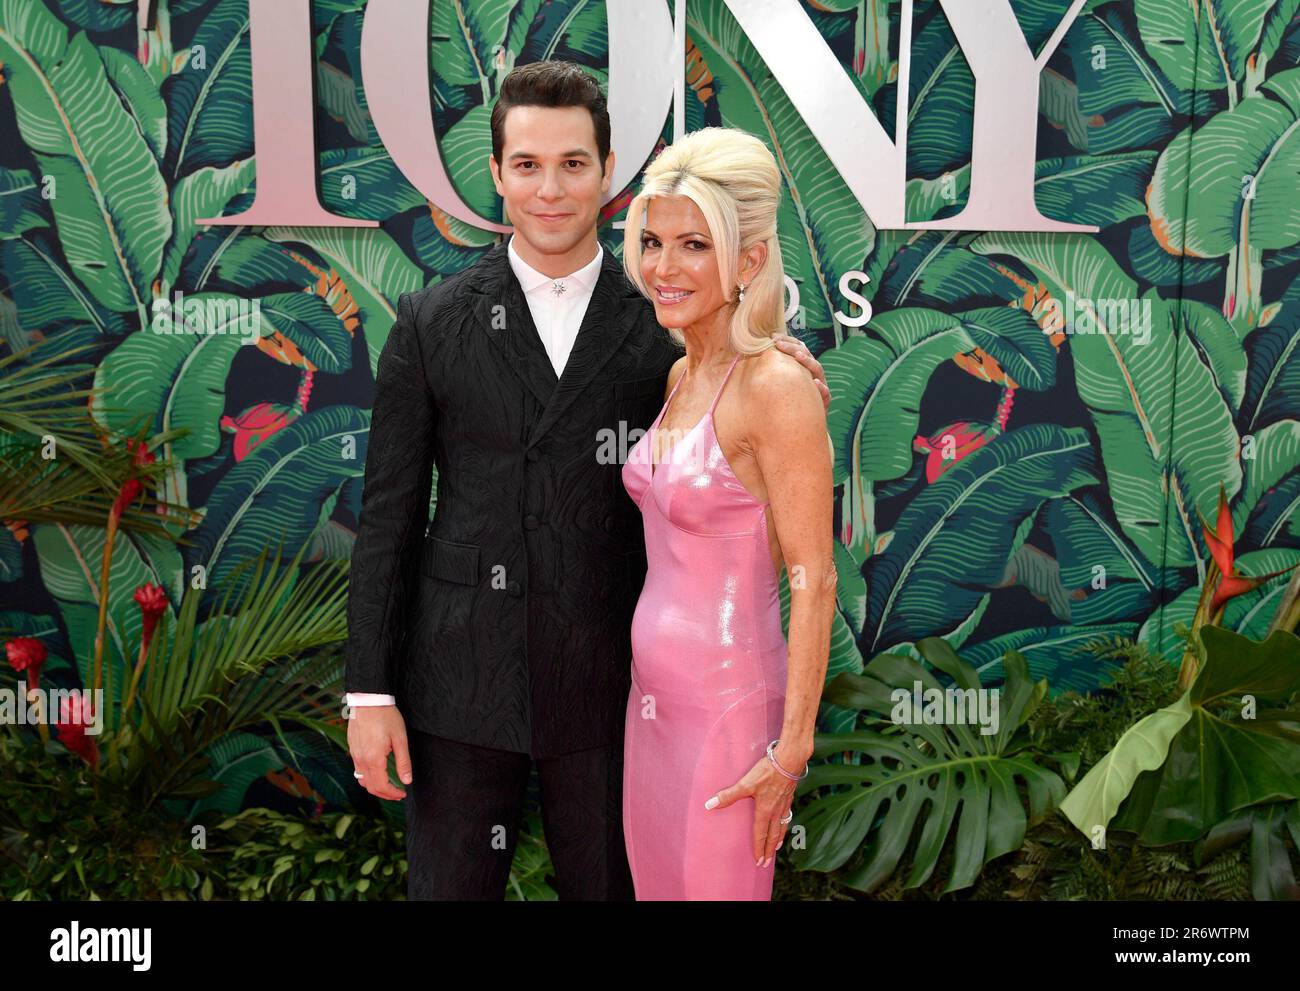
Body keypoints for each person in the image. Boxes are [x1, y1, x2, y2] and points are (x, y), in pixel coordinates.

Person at [343, 61, 831, 900]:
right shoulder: (431, 324)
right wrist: (369, 689)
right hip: (459, 687)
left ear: (609, 175)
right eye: (527, 165)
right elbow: (389, 517)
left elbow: (737, 384)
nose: (550, 189)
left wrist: (780, 351)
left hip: (616, 698)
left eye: (574, 163)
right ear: (495, 174)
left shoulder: (667, 318)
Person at [620, 127, 836, 900]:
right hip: (651, 710)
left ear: (748, 259)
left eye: (693, 245)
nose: (663, 268)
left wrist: (790, 753)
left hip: (729, 713)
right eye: (652, 241)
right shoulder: (683, 368)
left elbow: (815, 579)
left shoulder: (775, 386)